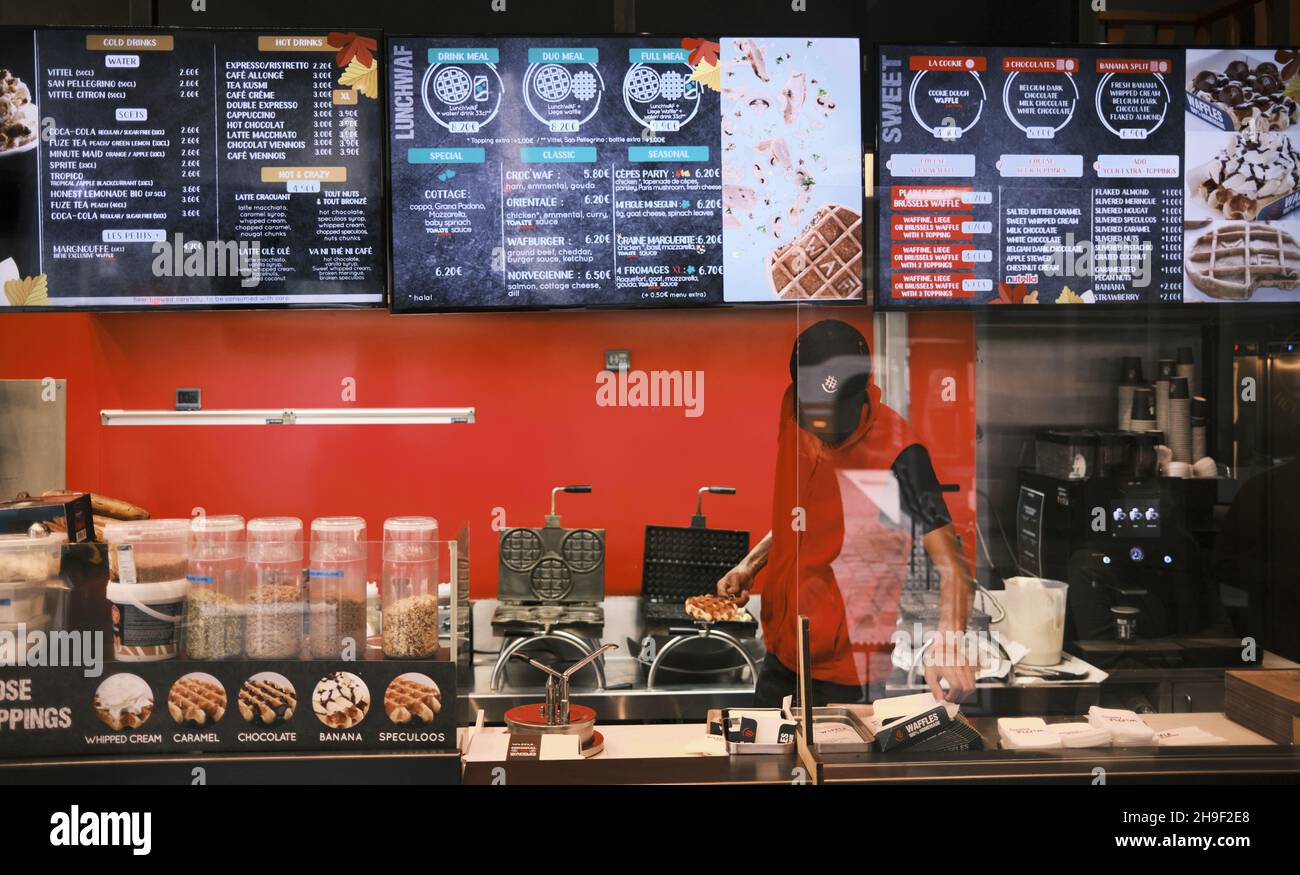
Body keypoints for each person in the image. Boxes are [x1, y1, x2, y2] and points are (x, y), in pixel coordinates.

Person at [718, 319, 977, 706]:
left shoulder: (899, 453)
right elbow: (801, 517)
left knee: (837, 769)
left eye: (834, 419)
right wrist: (750, 564)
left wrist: (950, 641)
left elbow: (951, 562)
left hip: (846, 675)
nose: (822, 430)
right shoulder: (792, 414)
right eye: (815, 416)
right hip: (781, 659)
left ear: (860, 398)